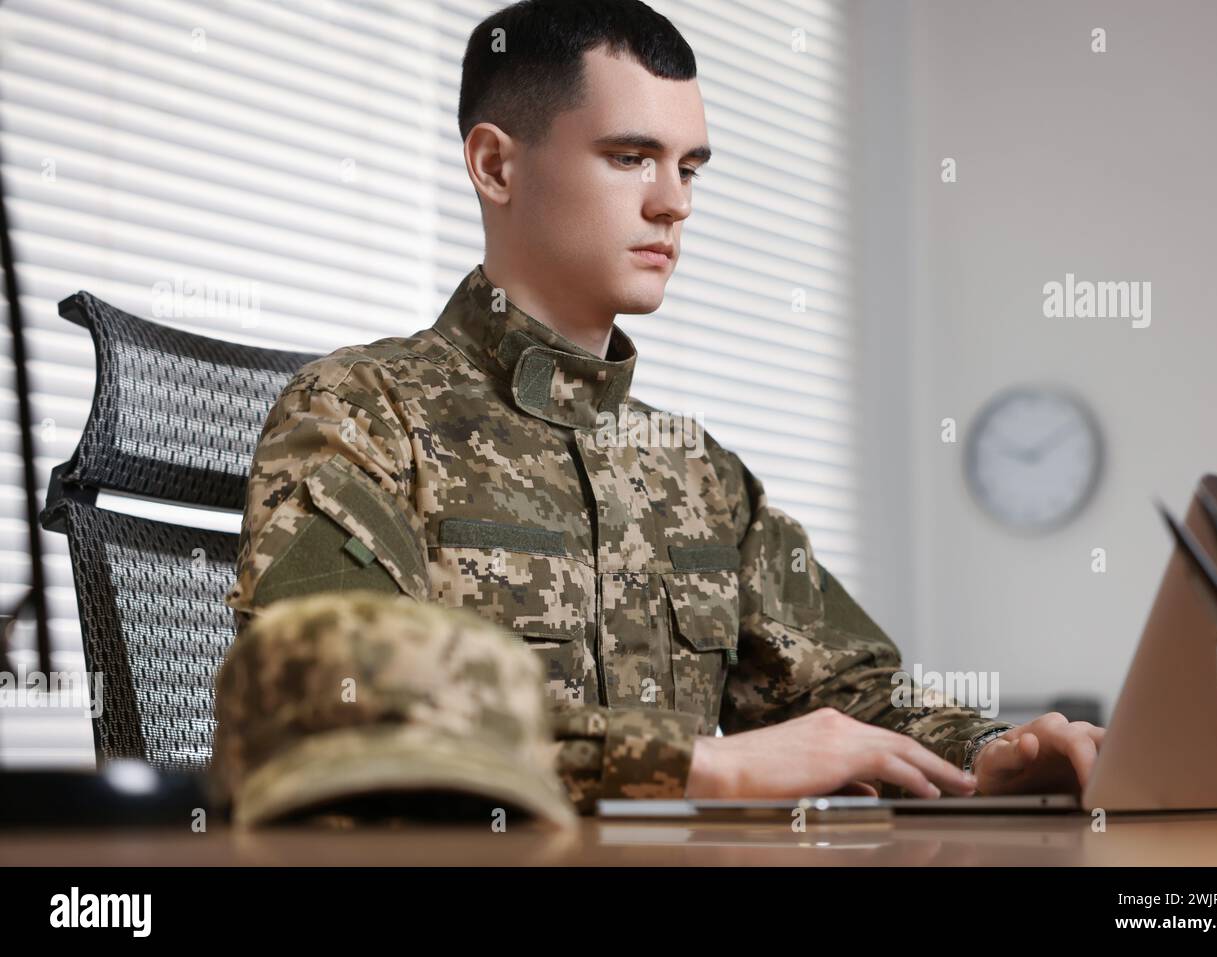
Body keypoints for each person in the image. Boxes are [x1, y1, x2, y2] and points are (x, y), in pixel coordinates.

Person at [226, 0, 1104, 814]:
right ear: (497, 165)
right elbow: (329, 689)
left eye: (688, 167)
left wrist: (994, 750)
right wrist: (698, 765)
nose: (673, 202)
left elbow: (849, 691)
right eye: (629, 157)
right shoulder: (360, 411)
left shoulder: (694, 470)